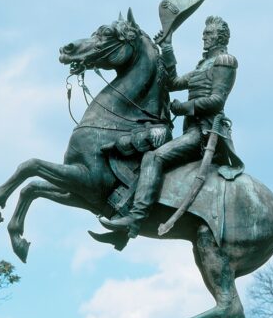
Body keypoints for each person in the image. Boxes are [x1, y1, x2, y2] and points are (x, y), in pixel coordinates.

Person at [99, 15, 238, 238]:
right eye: (204, 34)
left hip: (205, 132)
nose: (204, 38)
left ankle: (135, 218)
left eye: (209, 34)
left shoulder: (225, 61)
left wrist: (183, 107)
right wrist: (167, 47)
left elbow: (216, 101)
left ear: (220, 37)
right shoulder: (203, 65)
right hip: (192, 129)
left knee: (153, 158)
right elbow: (172, 83)